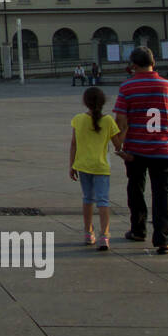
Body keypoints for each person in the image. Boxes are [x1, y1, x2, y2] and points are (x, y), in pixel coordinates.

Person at [113, 47, 168, 254]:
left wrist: (119, 145)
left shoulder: (127, 87)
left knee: (135, 189)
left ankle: (138, 229)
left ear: (133, 65)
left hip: (136, 148)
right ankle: (162, 239)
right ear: (153, 62)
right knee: (163, 194)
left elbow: (120, 120)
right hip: (162, 149)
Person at [69, 86, 129, 250]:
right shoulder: (108, 121)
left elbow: (74, 144)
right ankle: (105, 235)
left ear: (84, 102)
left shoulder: (78, 119)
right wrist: (125, 129)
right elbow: (118, 145)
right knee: (103, 200)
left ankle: (88, 232)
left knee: (88, 198)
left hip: (83, 164)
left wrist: (71, 165)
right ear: (103, 102)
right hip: (101, 166)